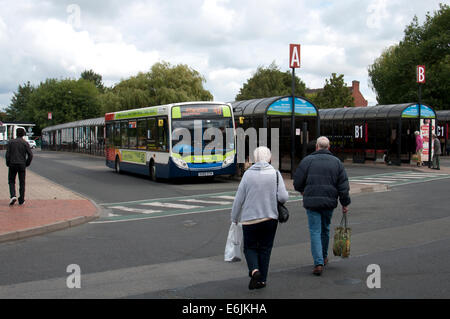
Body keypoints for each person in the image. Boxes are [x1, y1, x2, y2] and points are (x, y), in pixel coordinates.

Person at [231, 146, 289, 290]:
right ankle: (262, 280)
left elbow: (239, 198)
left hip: (250, 218)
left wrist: (234, 217)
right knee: (265, 248)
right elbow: (283, 197)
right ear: (269, 158)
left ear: (254, 159)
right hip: (270, 217)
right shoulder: (275, 174)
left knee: (249, 247)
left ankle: (254, 270)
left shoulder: (247, 174)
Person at [293, 136, 351, 276]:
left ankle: (318, 262)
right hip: (329, 202)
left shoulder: (307, 161)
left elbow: (297, 182)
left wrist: (303, 191)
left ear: (316, 146)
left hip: (312, 202)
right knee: (325, 229)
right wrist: (345, 203)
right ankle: (324, 257)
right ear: (329, 147)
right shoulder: (337, 162)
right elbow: (343, 186)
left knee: (315, 231)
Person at [5, 128, 33, 205]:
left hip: (12, 164)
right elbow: (30, 155)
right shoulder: (25, 143)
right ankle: (21, 199)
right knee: (22, 182)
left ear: (16, 133)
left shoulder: (11, 142)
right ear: (23, 134)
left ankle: (13, 195)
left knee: (11, 180)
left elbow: (7, 154)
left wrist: (8, 163)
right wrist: (26, 163)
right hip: (22, 165)